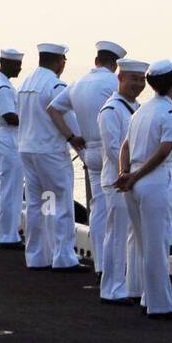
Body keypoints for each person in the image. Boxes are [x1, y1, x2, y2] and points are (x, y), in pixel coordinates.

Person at [116, 60, 172, 318]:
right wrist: (134, 176)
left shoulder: (140, 111)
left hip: (134, 182)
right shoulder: (171, 112)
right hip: (153, 181)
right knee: (157, 247)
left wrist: (125, 173)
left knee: (146, 245)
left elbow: (124, 147)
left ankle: (148, 296)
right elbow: (164, 150)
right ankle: (161, 305)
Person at [53, 42, 127, 267]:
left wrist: (71, 137)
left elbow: (53, 109)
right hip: (111, 151)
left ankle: (99, 264)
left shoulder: (77, 83)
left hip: (89, 151)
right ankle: (115, 266)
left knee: (98, 209)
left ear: (96, 61)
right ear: (116, 65)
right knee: (116, 210)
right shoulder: (114, 83)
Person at [19, 43, 86, 271]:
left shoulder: (26, 83)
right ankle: (64, 257)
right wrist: (82, 147)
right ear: (60, 62)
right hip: (50, 152)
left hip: (28, 151)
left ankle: (38, 255)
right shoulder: (55, 85)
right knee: (62, 202)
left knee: (40, 204)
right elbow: (68, 118)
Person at [97, 60, 148, 303]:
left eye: (142, 79)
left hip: (132, 180)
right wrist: (126, 174)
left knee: (130, 236)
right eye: (133, 79)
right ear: (120, 78)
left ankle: (129, 285)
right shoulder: (111, 110)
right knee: (116, 236)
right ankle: (111, 288)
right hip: (118, 181)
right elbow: (113, 148)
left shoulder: (136, 107)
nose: (138, 84)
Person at [0, 49, 24, 250]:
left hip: (1, 138)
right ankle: (9, 236)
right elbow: (10, 116)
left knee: (0, 189)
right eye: (17, 64)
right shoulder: (3, 87)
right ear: (6, 63)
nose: (19, 68)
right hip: (8, 137)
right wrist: (32, 120)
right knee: (10, 189)